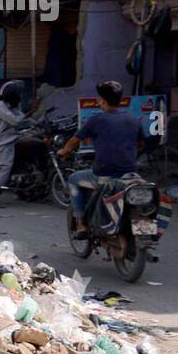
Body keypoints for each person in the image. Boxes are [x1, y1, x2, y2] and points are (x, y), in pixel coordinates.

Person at [57, 80, 145, 237]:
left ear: (102, 100)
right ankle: (142, 231)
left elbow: (74, 141)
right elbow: (140, 144)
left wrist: (64, 151)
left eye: (99, 98)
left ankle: (81, 224)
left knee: (73, 179)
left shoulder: (96, 120)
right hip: (130, 173)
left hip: (104, 175)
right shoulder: (133, 119)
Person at [0, 80, 36, 208]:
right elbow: (15, 121)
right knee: (5, 166)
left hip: (11, 136)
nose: (21, 97)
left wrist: (39, 122)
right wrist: (31, 111)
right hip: (0, 139)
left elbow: (23, 118)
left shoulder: (13, 106)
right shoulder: (0, 106)